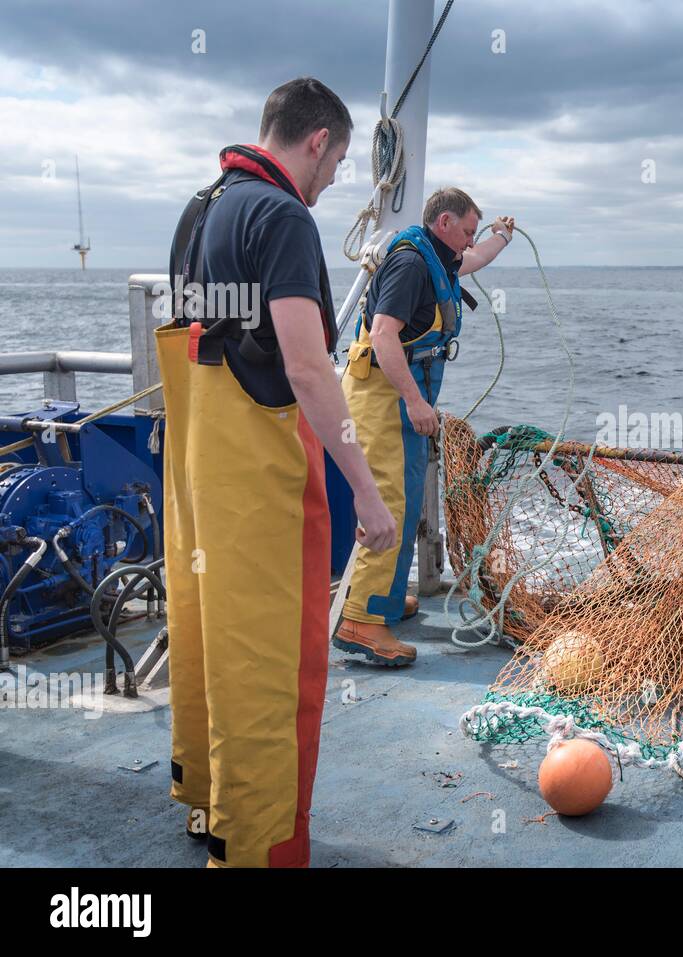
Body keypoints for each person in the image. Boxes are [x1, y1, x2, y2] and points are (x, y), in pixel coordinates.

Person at [160, 76, 397, 868]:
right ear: (319, 141)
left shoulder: (202, 210)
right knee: (268, 667)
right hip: (257, 481)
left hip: (197, 470)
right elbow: (305, 365)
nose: (330, 188)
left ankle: (208, 805)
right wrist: (366, 490)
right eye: (333, 170)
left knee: (208, 642)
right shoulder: (282, 216)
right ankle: (257, 844)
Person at [333, 188, 513, 664]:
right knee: (387, 505)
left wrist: (500, 237)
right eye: (469, 231)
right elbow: (384, 333)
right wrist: (414, 401)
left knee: (408, 503)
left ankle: (386, 601)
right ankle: (359, 621)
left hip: (404, 400)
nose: (471, 241)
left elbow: (473, 260)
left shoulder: (442, 254)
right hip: (383, 399)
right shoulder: (412, 264)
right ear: (445, 221)